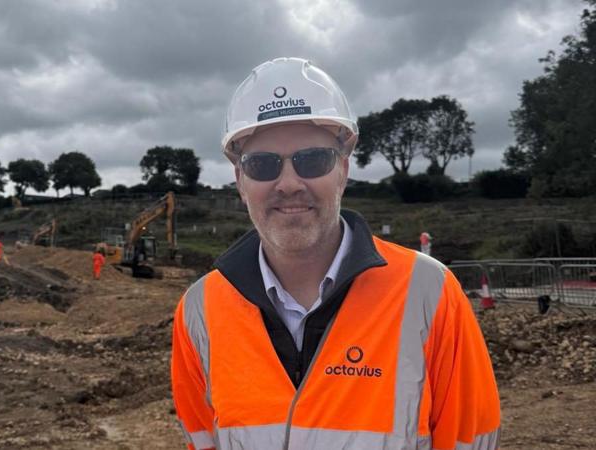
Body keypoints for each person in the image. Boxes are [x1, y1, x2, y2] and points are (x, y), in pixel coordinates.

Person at [170, 58, 500, 450]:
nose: (289, 183)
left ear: (343, 168)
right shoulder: (199, 311)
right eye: (262, 165)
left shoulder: (430, 293)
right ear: (240, 180)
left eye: (313, 160)